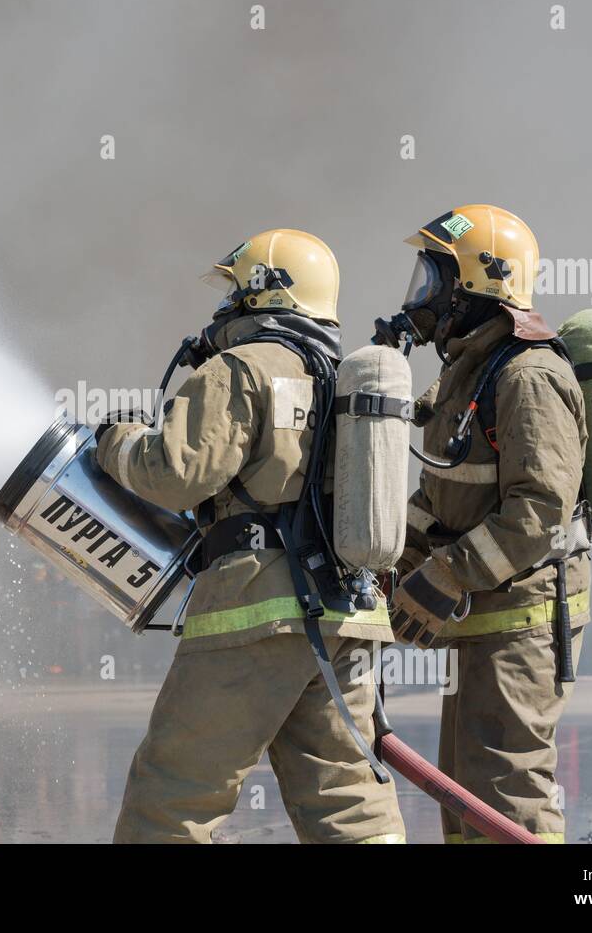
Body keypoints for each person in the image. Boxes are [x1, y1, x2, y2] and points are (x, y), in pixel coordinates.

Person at [96, 229, 404, 843]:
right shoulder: (341, 378)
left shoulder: (241, 368)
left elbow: (176, 473)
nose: (224, 306)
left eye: (236, 289)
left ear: (264, 291)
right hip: (346, 615)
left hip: (255, 613)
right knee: (347, 800)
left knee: (174, 791)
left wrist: (117, 441)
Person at [376, 205, 588, 843]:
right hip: (483, 617)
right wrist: (393, 559)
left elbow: (541, 510)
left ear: (480, 283)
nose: (422, 300)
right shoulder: (467, 375)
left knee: (506, 789)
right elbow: (443, 495)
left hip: (521, 619)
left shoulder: (528, 376)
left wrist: (445, 575)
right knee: (468, 792)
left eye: (434, 282)